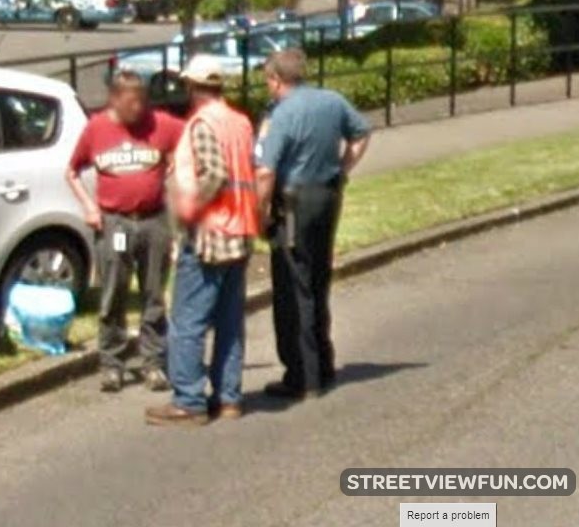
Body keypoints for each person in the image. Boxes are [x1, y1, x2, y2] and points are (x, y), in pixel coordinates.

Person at [145, 55, 259, 426]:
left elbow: (215, 173)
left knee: (188, 321)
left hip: (210, 234)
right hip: (239, 231)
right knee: (229, 321)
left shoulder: (202, 123)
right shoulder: (240, 121)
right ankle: (229, 399)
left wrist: (190, 209)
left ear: (192, 86)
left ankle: (189, 401)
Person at [256, 48, 371, 400]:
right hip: (327, 196)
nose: (268, 88)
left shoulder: (282, 114)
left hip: (293, 204)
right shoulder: (332, 101)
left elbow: (265, 171)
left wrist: (260, 214)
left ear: (276, 80)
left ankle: (303, 375)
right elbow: (361, 133)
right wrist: (342, 169)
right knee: (319, 280)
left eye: (268, 82)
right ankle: (323, 362)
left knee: (294, 286)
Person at [66, 70, 184, 392]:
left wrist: (177, 165)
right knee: (113, 291)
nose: (140, 108)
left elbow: (190, 143)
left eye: (143, 101)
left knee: (153, 293)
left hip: (153, 220)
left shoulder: (162, 123)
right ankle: (112, 363)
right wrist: (90, 207)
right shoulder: (97, 129)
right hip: (115, 221)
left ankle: (154, 363)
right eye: (133, 102)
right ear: (115, 99)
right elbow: (71, 171)